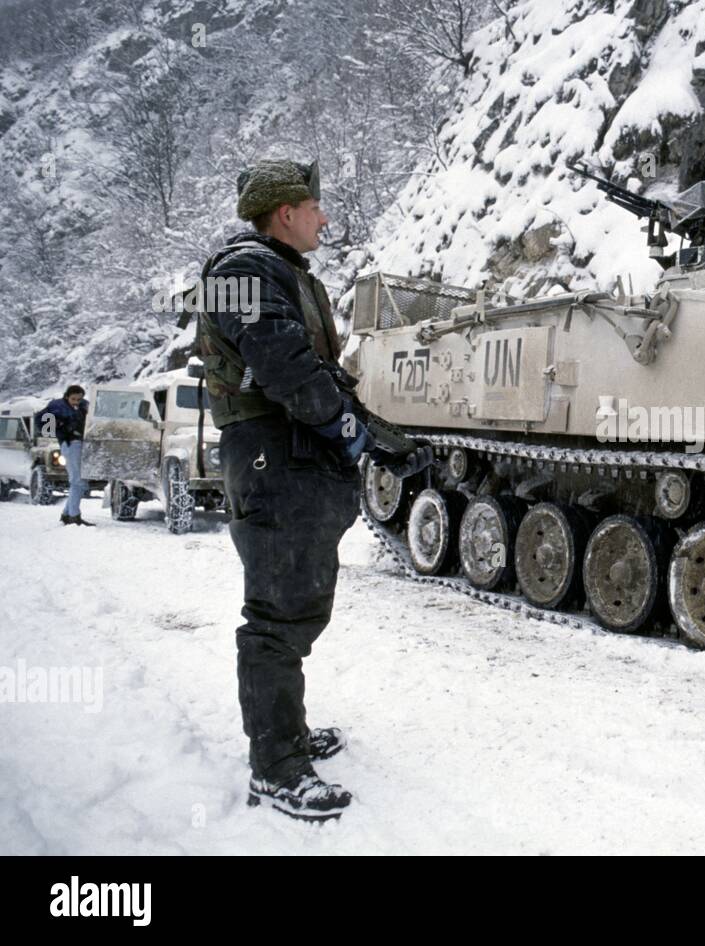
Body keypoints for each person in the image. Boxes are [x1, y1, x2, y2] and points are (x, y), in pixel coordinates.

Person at [196, 159, 430, 821]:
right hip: (274, 457)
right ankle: (275, 768)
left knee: (296, 601)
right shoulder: (241, 272)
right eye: (315, 206)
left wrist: (378, 433)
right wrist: (354, 431)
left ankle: (288, 736)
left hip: (291, 456)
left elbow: (315, 373)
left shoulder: (283, 273)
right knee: (276, 613)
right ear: (285, 211)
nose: (326, 217)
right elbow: (285, 366)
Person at [40, 385, 93, 526]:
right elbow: (43, 422)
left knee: (80, 482)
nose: (76, 401)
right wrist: (62, 429)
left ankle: (67, 514)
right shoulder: (57, 407)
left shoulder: (83, 406)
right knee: (77, 481)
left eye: (79, 399)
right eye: (73, 399)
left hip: (81, 444)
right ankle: (74, 516)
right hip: (70, 444)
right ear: (67, 396)